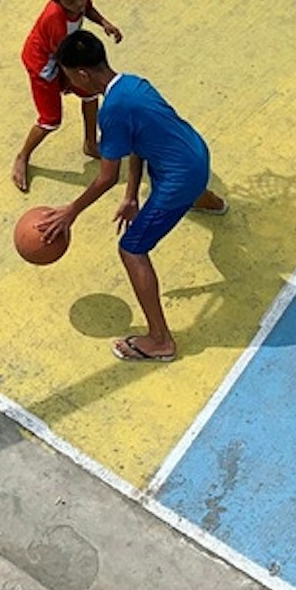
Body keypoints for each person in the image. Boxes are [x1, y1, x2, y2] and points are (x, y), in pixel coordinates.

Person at [40, 31, 227, 363]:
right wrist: (131, 196)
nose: (70, 84)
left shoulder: (111, 111)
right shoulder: (134, 84)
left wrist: (71, 211)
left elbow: (106, 177)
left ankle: (160, 341)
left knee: (132, 249)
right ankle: (211, 201)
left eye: (69, 77)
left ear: (82, 74)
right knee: (166, 165)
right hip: (197, 154)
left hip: (180, 179)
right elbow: (138, 143)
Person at [12, 0, 122, 193]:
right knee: (51, 120)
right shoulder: (53, 20)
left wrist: (105, 23)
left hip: (68, 56)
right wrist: (72, 80)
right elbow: (62, 57)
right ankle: (23, 156)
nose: (78, 3)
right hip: (44, 65)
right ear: (57, 0)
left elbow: (88, 9)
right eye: (71, 2)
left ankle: (90, 144)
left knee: (90, 93)